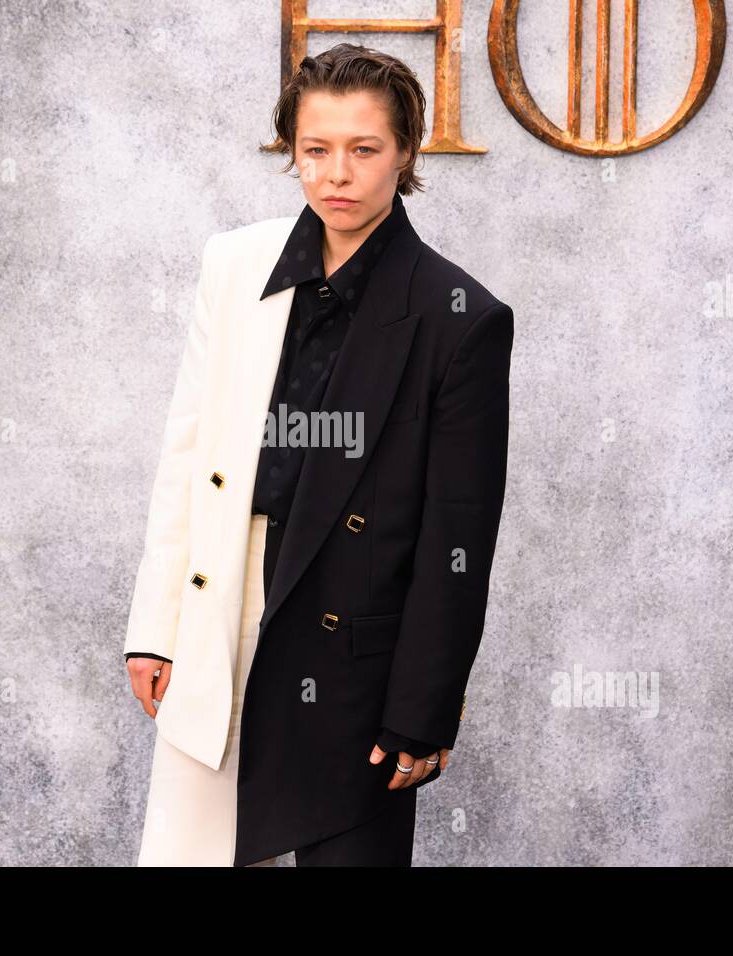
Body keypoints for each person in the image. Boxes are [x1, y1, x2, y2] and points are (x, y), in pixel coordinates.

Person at [124, 42, 513, 866]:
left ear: (406, 152)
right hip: (223, 601)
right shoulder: (233, 265)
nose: (337, 174)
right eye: (316, 150)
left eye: (364, 149)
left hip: (352, 649)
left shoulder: (460, 317)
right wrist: (154, 628)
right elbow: (187, 448)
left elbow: (459, 540)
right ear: (291, 151)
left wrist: (425, 706)